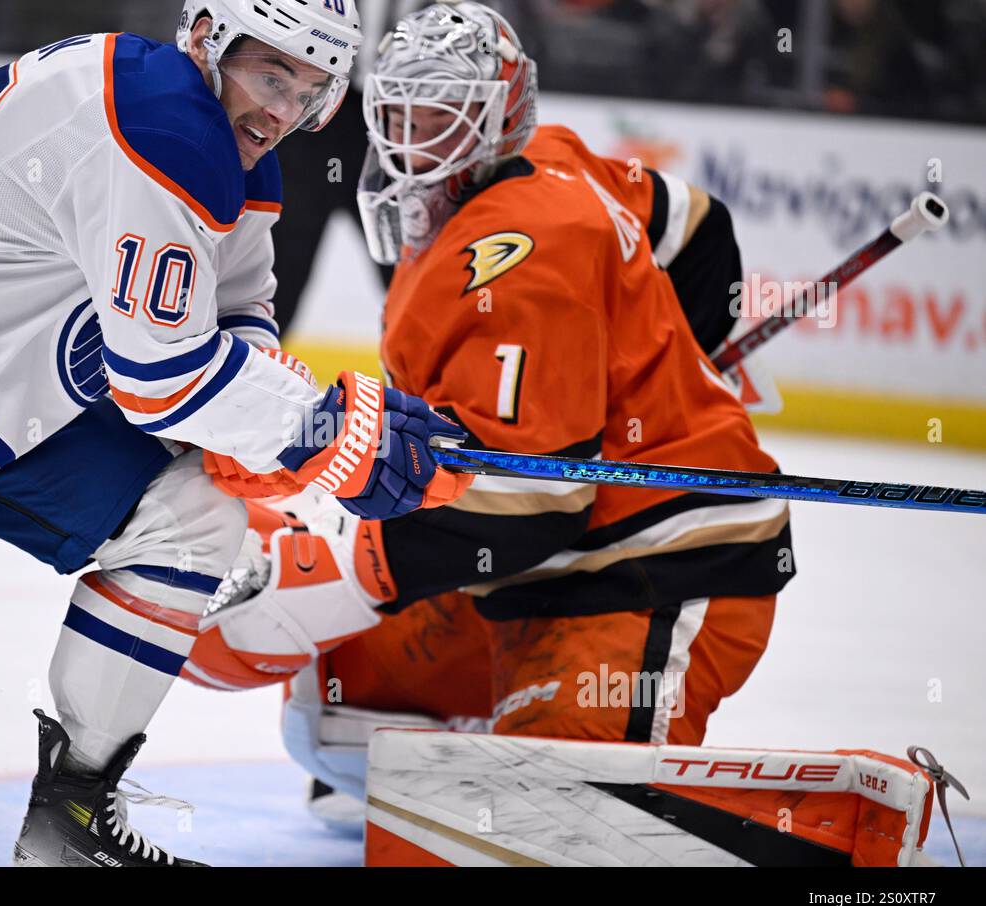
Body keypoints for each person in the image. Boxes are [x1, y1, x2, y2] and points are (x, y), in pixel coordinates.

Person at [0, 0, 471, 868]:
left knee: (192, 512)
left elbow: (237, 311)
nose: (283, 111)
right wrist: (325, 433)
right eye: (271, 74)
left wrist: (271, 423)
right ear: (206, 43)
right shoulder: (163, 122)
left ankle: (71, 818)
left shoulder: (232, 151)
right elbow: (163, 374)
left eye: (312, 91)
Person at [184, 0, 795, 809]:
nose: (412, 135)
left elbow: (533, 504)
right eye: (398, 107)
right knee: (339, 698)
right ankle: (489, 745)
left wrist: (347, 573)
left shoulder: (522, 251)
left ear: (502, 115)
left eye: (443, 113)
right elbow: (697, 227)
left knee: (561, 821)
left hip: (649, 563)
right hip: (531, 569)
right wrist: (661, 353)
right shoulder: (555, 155)